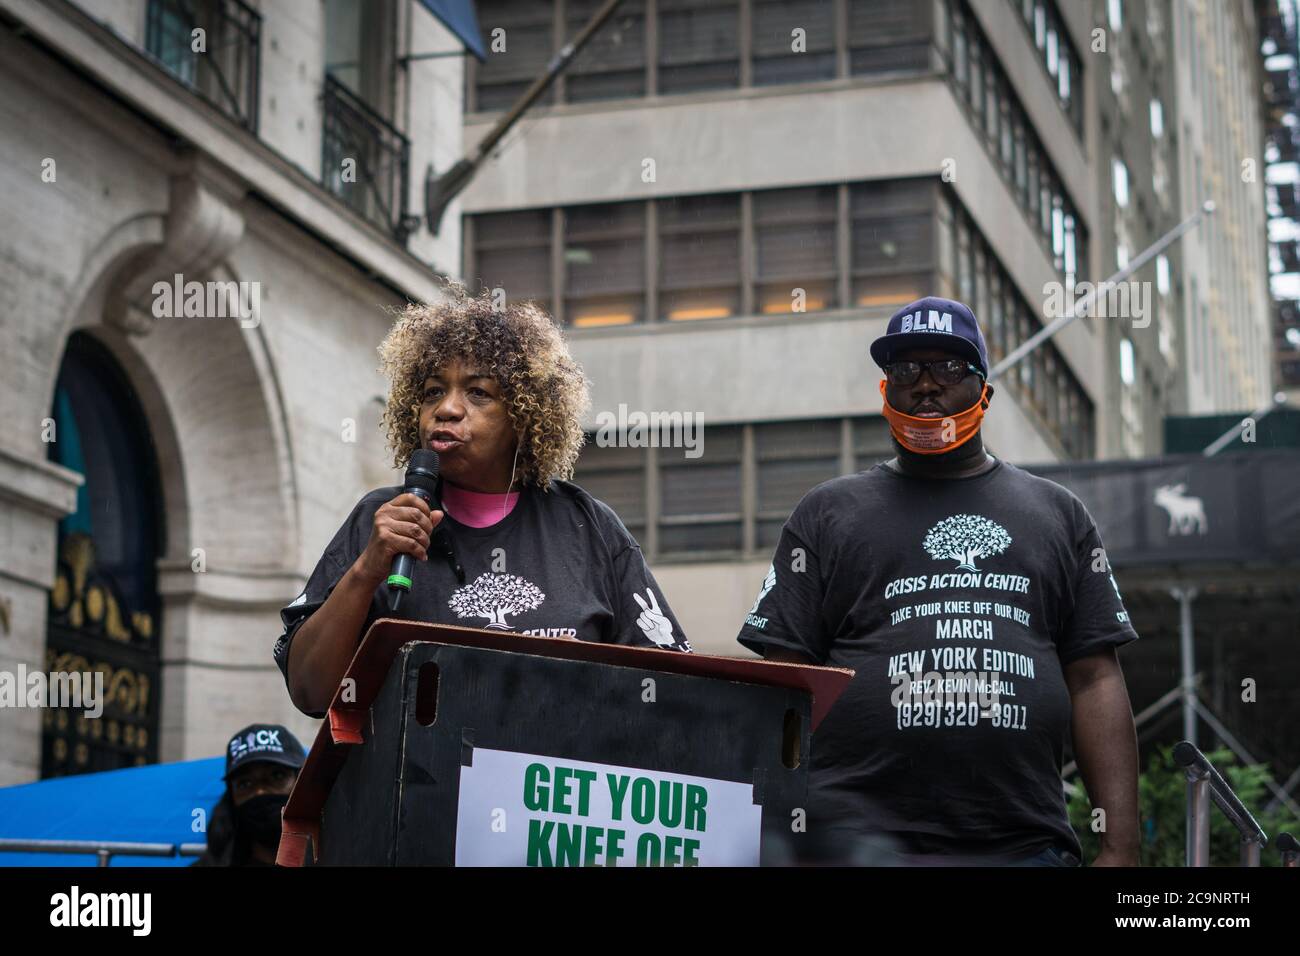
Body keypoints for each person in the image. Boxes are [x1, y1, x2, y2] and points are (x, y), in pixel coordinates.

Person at [737, 296, 1141, 866]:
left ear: (985, 392)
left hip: (1021, 845)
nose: (926, 386)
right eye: (905, 371)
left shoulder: (1058, 514)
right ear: (885, 392)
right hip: (852, 845)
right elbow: (781, 684)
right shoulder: (826, 513)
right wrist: (771, 834)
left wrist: (1121, 849)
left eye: (950, 369)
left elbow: (1096, 678)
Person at [276, 285, 690, 718]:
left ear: (525, 417)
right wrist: (365, 572)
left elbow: (673, 692)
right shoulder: (378, 520)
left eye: (478, 393)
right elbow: (311, 692)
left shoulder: (590, 528)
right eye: (434, 391)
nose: (447, 409)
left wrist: (588, 677)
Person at [192, 723, 307, 866]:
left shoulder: (338, 853)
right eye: (245, 784)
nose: (260, 792)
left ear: (302, 780)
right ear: (231, 796)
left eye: (277, 776)